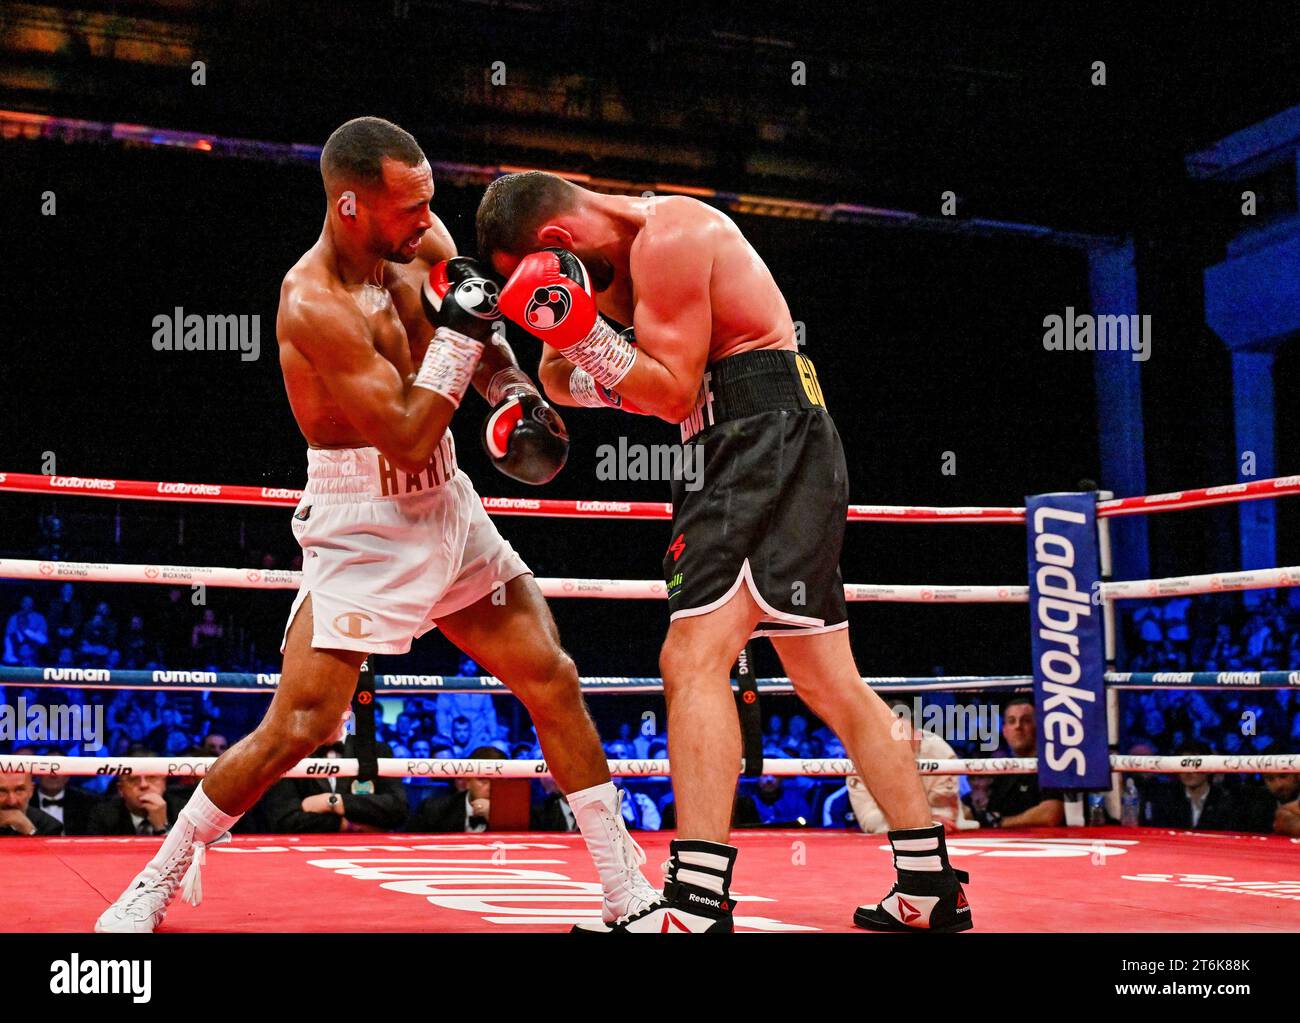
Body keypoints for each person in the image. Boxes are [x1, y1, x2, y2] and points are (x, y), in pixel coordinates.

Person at [95, 117, 653, 933]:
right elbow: (404, 426)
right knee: (301, 725)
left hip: (445, 501)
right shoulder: (308, 302)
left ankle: (623, 892)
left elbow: (485, 343)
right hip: (363, 518)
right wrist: (465, 336)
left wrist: (512, 395)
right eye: (409, 209)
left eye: (429, 203)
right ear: (351, 206)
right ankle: (157, 876)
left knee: (552, 675)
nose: (428, 223)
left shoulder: (422, 248)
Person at [478, 171, 970, 932]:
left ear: (553, 243)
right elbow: (566, 376)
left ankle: (697, 901)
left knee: (693, 656)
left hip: (753, 434)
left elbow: (669, 393)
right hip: (756, 440)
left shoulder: (672, 236)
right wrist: (568, 352)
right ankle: (930, 885)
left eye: (532, 275)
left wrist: (587, 340)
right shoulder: (607, 273)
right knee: (829, 679)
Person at [258, 711, 407, 832]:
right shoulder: (289, 753)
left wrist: (332, 801)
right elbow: (284, 819)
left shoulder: (376, 750)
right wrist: (348, 825)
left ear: (347, 710)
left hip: (368, 850)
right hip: (306, 850)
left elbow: (397, 809)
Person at [971, 698, 1065, 828]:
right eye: (1011, 721)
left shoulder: (1052, 765)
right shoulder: (1003, 772)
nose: (1018, 726)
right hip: (1005, 844)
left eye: (1025, 720)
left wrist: (1001, 822)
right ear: (1004, 731)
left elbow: (1051, 814)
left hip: (1045, 843)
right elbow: (989, 816)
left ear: (1038, 726)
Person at [85, 752, 185, 836]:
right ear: (121, 789)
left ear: (164, 783)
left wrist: (163, 828)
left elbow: (189, 857)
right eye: (133, 780)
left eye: (152, 777)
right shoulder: (103, 816)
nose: (143, 785)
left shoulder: (184, 811)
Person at [0, 770, 63, 836]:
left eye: (19, 790)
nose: (12, 802)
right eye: (2, 791)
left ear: (31, 791)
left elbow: (47, 846)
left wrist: (30, 831)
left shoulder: (49, 826)